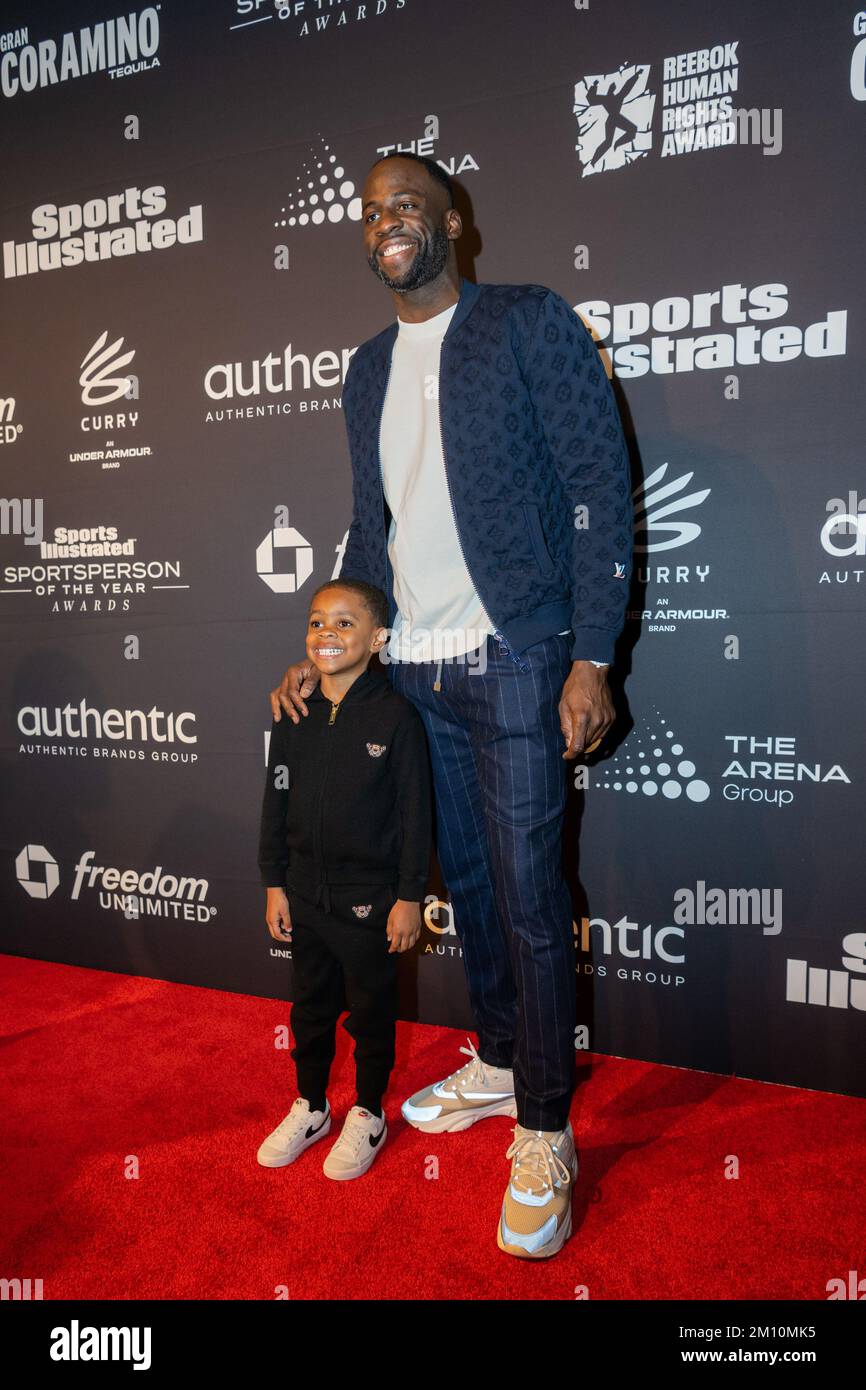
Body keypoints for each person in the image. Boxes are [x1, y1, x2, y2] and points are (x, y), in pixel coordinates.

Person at [269, 151, 634, 1255]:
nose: (390, 222)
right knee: (465, 878)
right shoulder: (367, 367)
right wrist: (334, 644)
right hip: (415, 665)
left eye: (410, 205)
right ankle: (494, 1051)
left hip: (516, 652)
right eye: (373, 210)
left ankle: (542, 1127)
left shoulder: (525, 322)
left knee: (526, 888)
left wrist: (592, 655)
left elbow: (596, 487)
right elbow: (365, 527)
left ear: (454, 220)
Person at [257, 577, 433, 1181]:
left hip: (370, 903)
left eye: (344, 622)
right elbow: (274, 800)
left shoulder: (398, 718)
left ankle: (367, 1112)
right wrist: (274, 881)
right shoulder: (294, 710)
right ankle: (310, 1106)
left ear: (379, 637)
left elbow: (416, 816)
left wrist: (410, 896)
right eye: (315, 621)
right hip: (304, 895)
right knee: (308, 1008)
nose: (326, 633)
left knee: (370, 1011)